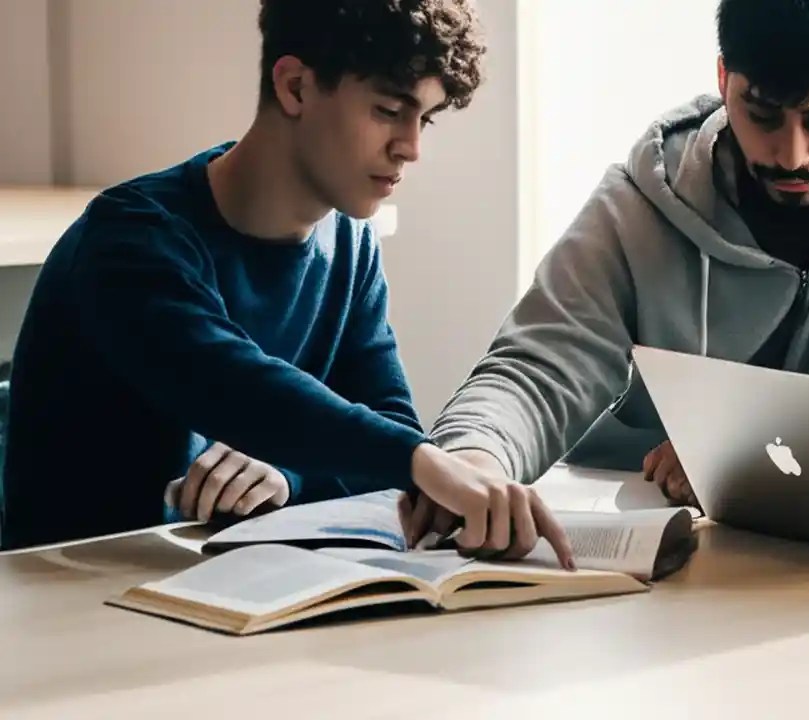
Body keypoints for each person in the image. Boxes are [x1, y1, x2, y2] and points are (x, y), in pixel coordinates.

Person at [1, 0, 574, 567]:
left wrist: (288, 473)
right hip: (70, 601)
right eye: (387, 110)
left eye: (423, 119)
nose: (412, 147)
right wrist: (426, 461)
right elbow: (232, 382)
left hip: (217, 588)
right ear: (295, 86)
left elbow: (385, 422)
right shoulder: (129, 237)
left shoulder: (348, 242)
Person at [422, 0, 809, 510]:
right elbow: (540, 365)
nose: (792, 155)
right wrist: (474, 458)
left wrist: (745, 457)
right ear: (722, 81)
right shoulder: (642, 201)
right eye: (762, 114)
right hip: (664, 553)